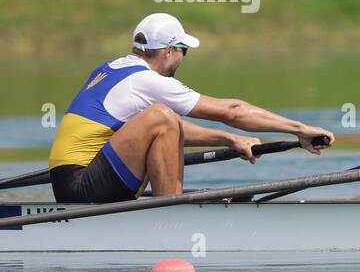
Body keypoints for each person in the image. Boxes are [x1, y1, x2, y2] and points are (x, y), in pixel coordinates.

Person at [48, 13, 334, 204]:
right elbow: (232, 111)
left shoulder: (111, 68)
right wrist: (300, 129)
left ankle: (167, 205)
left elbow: (167, 130)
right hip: (83, 186)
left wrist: (229, 139)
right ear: (169, 50)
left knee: (164, 119)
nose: (184, 58)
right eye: (184, 50)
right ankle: (171, 214)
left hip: (72, 182)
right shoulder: (147, 81)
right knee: (162, 116)